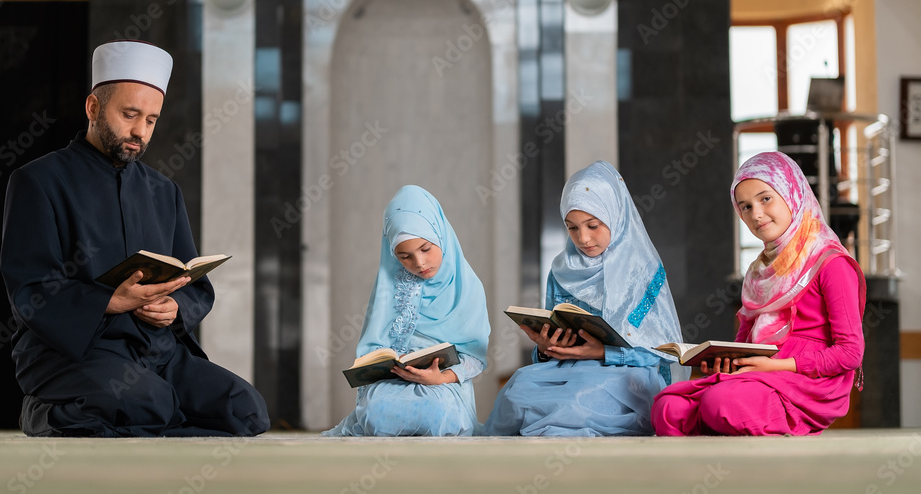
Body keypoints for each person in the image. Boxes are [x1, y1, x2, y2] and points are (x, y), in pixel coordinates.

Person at [0, 40, 270, 437]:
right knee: (148, 402)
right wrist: (111, 301)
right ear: (93, 108)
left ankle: (141, 419)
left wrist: (174, 307)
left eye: (150, 120)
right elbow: (30, 287)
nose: (139, 132)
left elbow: (195, 285)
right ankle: (44, 414)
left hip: (156, 350)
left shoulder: (164, 191)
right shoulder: (38, 181)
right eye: (129, 115)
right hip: (73, 351)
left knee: (245, 410)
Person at [651, 151, 866, 436]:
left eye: (765, 198)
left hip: (805, 381)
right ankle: (730, 419)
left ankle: (736, 417)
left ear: (791, 193)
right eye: (745, 207)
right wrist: (724, 360)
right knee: (666, 406)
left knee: (720, 403)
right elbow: (746, 342)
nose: (756, 214)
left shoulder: (831, 263)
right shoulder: (758, 271)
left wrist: (775, 367)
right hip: (757, 373)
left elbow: (850, 353)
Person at [482, 161, 687, 436]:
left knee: (576, 404)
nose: (583, 238)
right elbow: (556, 324)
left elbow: (662, 350)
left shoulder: (642, 269)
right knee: (518, 389)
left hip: (627, 374)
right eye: (572, 228)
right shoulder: (562, 269)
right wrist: (546, 347)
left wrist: (603, 352)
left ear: (616, 216)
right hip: (569, 366)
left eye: (593, 225)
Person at [323, 185, 491, 436]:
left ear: (441, 235)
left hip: (443, 382)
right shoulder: (389, 286)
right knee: (375, 411)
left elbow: (475, 357)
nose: (419, 263)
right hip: (393, 381)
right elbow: (374, 348)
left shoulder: (467, 286)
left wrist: (440, 378)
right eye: (404, 256)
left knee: (439, 412)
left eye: (426, 249)